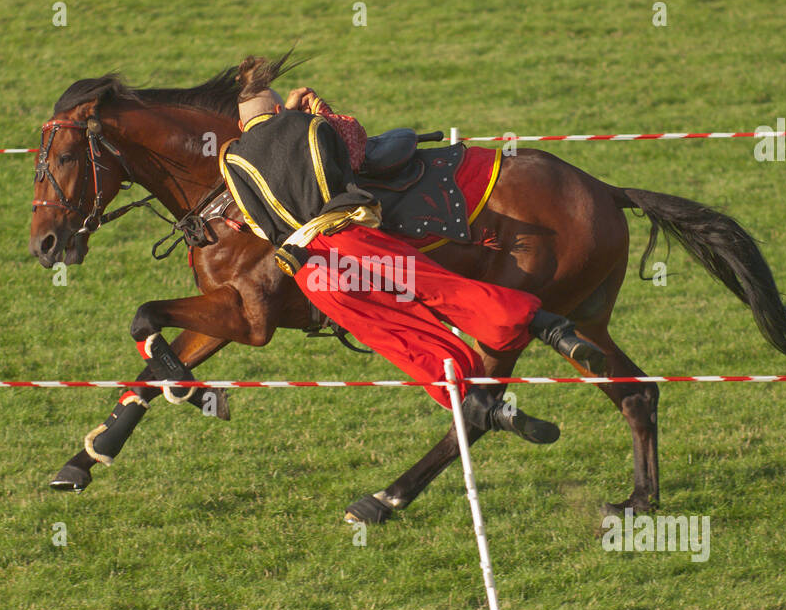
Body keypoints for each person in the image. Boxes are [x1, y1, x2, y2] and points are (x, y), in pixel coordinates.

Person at [218, 56, 606, 443]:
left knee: (401, 341)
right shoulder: (305, 124)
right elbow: (356, 150)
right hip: (351, 240)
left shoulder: (232, 160)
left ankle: (484, 408)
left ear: (240, 126)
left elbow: (255, 224)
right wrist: (315, 110)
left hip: (312, 273)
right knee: (446, 291)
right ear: (277, 109)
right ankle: (552, 329)